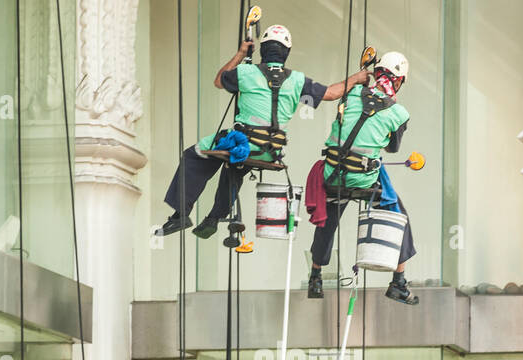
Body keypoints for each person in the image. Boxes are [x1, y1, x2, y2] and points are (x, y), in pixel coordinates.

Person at [154, 25, 369, 239]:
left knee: (194, 155)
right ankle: (214, 217)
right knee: (235, 166)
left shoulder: (246, 72)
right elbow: (331, 94)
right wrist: (356, 78)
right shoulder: (297, 80)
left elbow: (219, 81)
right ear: (286, 53)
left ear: (264, 50)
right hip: (270, 151)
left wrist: (241, 54)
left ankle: (181, 214)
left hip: (244, 143)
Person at [306, 50, 419, 305]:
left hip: (333, 173)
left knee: (329, 218)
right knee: (398, 214)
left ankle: (315, 276)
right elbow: (392, 148)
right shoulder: (398, 112)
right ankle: (399, 281)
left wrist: (358, 80)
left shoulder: (352, 93)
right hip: (364, 179)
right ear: (399, 81)